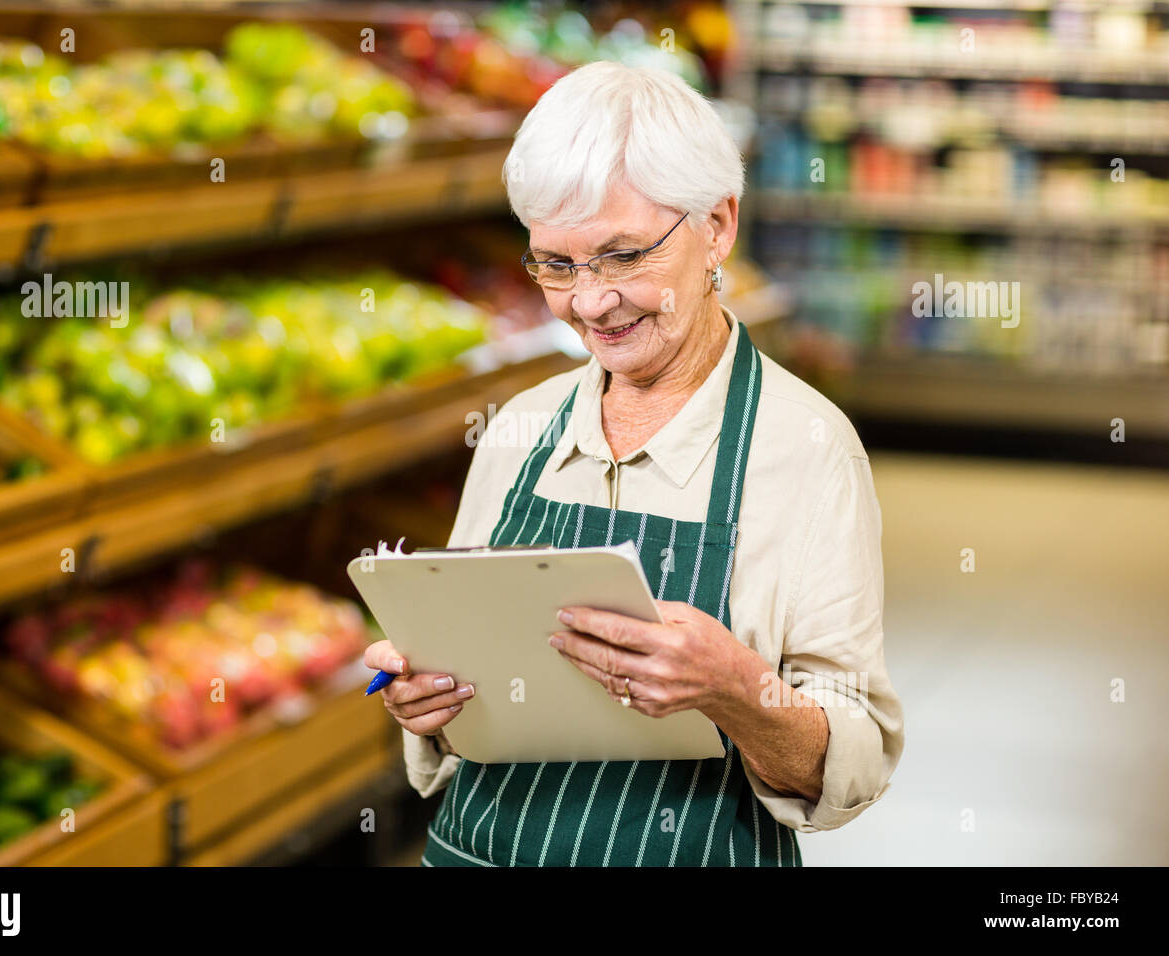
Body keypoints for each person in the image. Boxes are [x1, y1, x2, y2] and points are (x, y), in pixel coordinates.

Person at [364, 60, 903, 867]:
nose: (589, 302)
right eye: (556, 264)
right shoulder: (521, 427)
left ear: (716, 227)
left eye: (622, 256)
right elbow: (460, 699)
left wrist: (735, 689)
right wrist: (426, 698)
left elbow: (850, 764)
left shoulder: (807, 449)